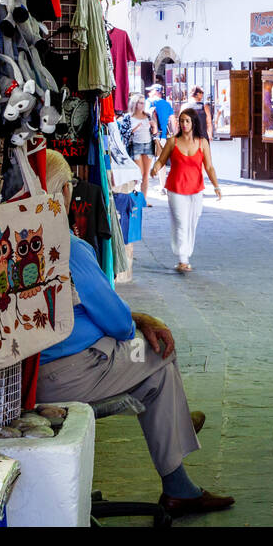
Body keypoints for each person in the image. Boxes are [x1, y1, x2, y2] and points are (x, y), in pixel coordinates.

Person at [35, 151, 233, 518]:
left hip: (37, 377)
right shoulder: (68, 247)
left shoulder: (21, 242)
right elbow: (119, 323)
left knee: (154, 379)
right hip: (70, 375)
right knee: (159, 351)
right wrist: (138, 320)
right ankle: (179, 455)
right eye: (69, 189)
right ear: (61, 193)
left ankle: (179, 483)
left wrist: (129, 320)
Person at [151, 107, 221, 272]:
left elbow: (209, 167)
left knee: (192, 221)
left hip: (196, 189)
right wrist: (155, 167)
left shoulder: (202, 142)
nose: (183, 124)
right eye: (181, 121)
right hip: (175, 188)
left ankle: (185, 252)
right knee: (181, 222)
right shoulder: (172, 142)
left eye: (187, 121)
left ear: (193, 123)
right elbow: (161, 160)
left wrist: (216, 186)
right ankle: (183, 259)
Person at [126, 95, 158, 202]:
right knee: (138, 173)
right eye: (140, 103)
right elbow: (125, 134)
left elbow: (154, 133)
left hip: (148, 145)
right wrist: (135, 129)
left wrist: (154, 126)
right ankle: (134, 197)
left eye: (143, 103)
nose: (142, 105)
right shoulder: (129, 117)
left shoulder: (148, 116)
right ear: (134, 104)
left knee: (145, 175)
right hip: (136, 146)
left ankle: (144, 199)